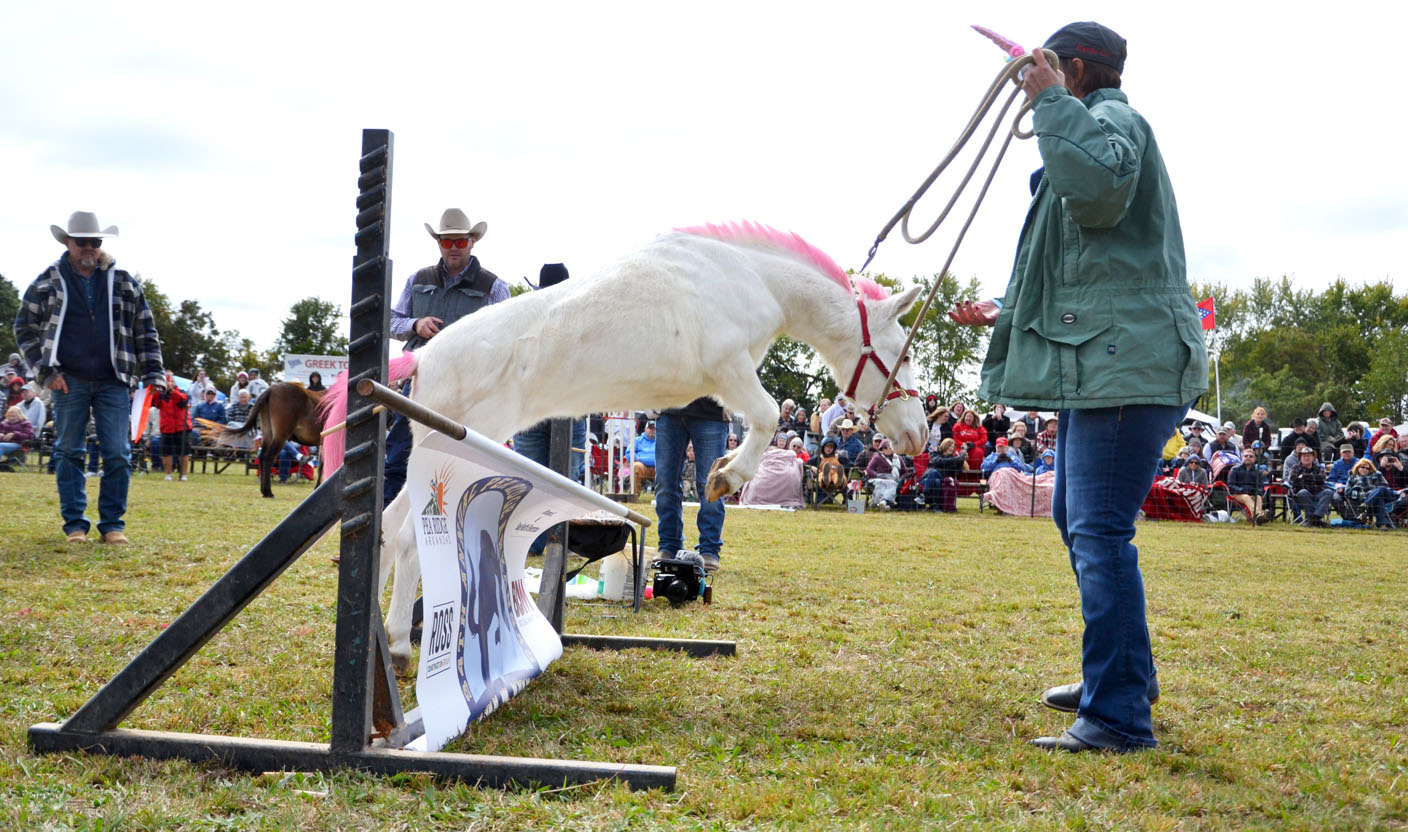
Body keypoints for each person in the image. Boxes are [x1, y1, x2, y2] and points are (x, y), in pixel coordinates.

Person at [949, 25, 1206, 752]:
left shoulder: (1111, 121)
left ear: (1076, 70)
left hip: (1128, 363)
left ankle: (1119, 714)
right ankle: (1122, 679)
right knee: (1080, 519)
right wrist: (1005, 307)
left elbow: (1094, 196)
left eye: (1049, 70)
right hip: (1114, 360)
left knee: (1097, 529)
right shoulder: (1095, 126)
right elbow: (1088, 258)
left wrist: (1051, 102)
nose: (1032, 83)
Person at [14, 211, 166, 543]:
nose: (89, 248)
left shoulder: (123, 280)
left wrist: (154, 371)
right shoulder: (47, 280)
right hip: (68, 380)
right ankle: (75, 526)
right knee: (69, 451)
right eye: (82, 242)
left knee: (118, 453)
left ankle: (112, 525)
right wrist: (45, 372)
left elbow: (145, 329)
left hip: (115, 379)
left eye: (95, 242)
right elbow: (24, 328)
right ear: (68, 243)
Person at [384, 208, 510, 506]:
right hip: (419, 384)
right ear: (439, 243)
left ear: (472, 242)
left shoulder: (494, 286)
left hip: (472, 388)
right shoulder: (417, 279)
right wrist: (415, 324)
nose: (453, 248)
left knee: (468, 461)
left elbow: (506, 335)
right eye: (447, 241)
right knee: (398, 455)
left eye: (460, 242)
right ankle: (384, 532)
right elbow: (390, 321)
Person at [653, 397, 731, 571]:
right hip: (669, 406)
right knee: (665, 482)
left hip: (711, 410)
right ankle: (668, 546)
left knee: (711, 485)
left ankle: (709, 551)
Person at [155, 372, 191, 481]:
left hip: (181, 427)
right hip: (167, 427)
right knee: (166, 452)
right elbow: (155, 402)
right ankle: (168, 474)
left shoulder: (182, 392)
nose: (169, 382)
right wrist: (159, 388)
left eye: (170, 380)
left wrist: (171, 390)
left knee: (183, 452)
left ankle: (184, 475)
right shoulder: (161, 395)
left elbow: (182, 401)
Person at [1285, 446, 1332, 525]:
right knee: (1303, 492)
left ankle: (1314, 518)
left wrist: (1303, 476)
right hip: (1301, 496)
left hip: (1317, 494)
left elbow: (1321, 479)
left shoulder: (1319, 468)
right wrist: (1313, 479)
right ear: (1300, 458)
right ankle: (1315, 520)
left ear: (1313, 458)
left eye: (1309, 456)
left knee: (1328, 492)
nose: (1306, 458)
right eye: (1304, 456)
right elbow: (1294, 481)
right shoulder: (1295, 468)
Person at [919, 437, 967, 512]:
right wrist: (958, 459)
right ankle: (936, 507)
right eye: (949, 446)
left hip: (944, 480)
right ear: (944, 446)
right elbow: (938, 461)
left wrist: (961, 459)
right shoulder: (935, 454)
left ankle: (924, 496)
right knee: (936, 480)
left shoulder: (954, 458)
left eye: (953, 447)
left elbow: (960, 472)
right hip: (927, 479)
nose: (951, 448)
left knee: (935, 474)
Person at [1226, 447, 1267, 522]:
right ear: (1242, 458)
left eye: (1251, 456)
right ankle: (1258, 514)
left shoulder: (1258, 472)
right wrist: (1242, 490)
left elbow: (1261, 487)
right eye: (1246, 456)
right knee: (1246, 497)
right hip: (1237, 494)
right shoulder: (1234, 469)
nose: (1248, 458)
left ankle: (1257, 518)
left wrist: (1256, 491)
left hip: (1252, 494)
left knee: (1258, 497)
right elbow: (1230, 485)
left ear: (1255, 459)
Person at [632, 420, 657, 494]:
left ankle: (663, 498)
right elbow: (629, 453)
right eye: (650, 428)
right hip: (642, 467)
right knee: (636, 466)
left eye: (654, 429)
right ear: (645, 429)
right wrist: (637, 458)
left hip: (657, 467)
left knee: (666, 468)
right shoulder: (637, 440)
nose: (652, 430)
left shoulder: (661, 441)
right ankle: (634, 495)